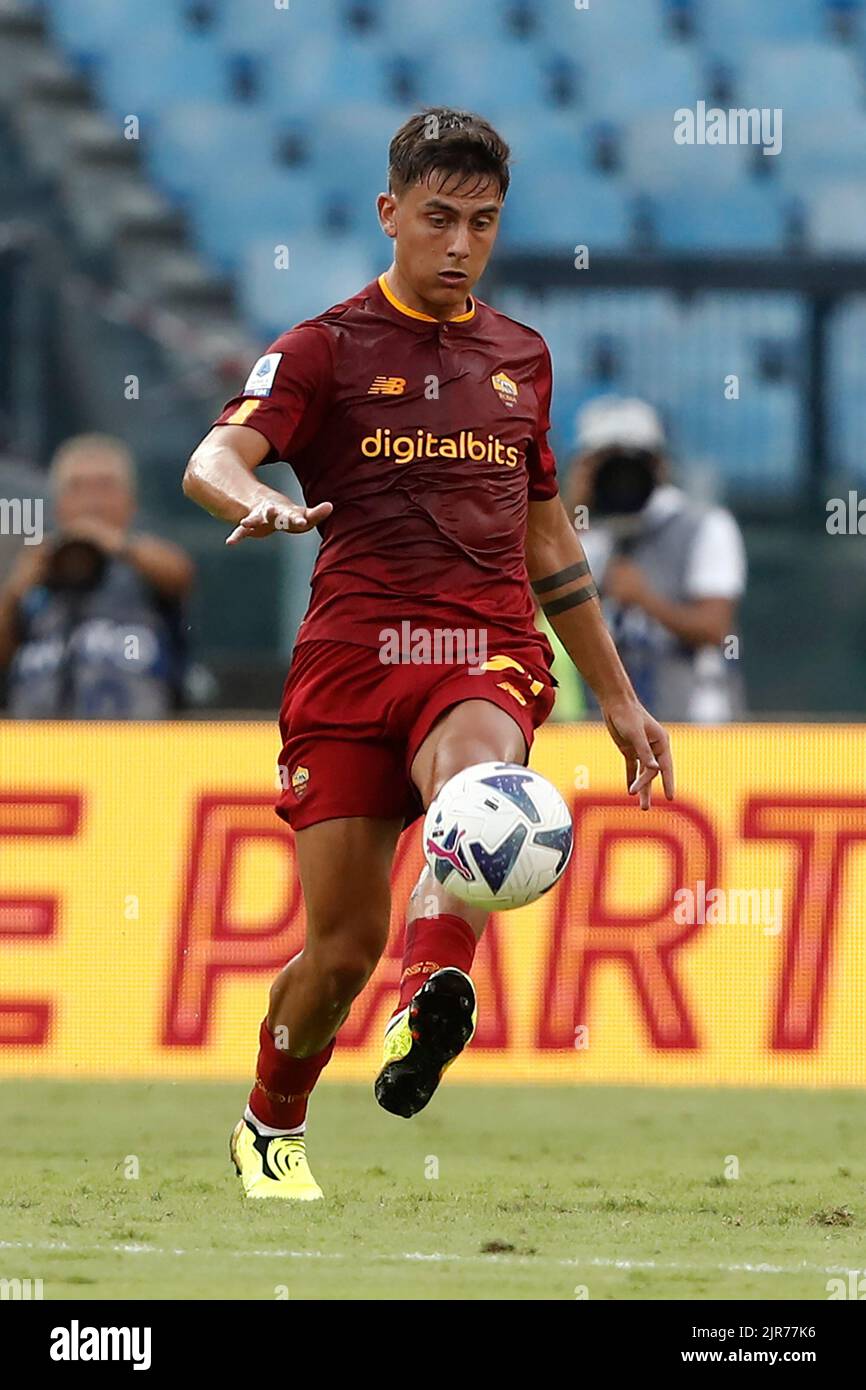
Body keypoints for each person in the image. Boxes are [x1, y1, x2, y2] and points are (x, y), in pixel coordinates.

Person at [184, 108, 674, 1202]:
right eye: (440, 219)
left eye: (483, 224)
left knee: (479, 788)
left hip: (480, 645)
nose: (461, 244)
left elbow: (548, 540)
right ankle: (271, 1118)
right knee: (338, 955)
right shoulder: (322, 347)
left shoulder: (519, 359)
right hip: (351, 662)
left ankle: (432, 991)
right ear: (389, 213)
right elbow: (212, 455)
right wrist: (256, 497)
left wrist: (620, 695)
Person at [567, 397, 747, 722]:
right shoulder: (588, 537)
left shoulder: (704, 526)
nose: (620, 477)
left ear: (659, 465)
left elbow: (714, 627)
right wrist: (570, 507)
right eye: (605, 462)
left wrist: (645, 599)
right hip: (610, 732)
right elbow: (531, 604)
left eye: (632, 463)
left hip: (698, 724)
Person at [0, 434, 194, 717]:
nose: (92, 500)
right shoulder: (36, 569)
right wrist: (17, 590)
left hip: (139, 748)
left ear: (131, 501)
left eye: (105, 486)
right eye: (77, 487)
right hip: (37, 748)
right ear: (58, 504)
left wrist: (114, 543)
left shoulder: (148, 566)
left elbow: (181, 575)